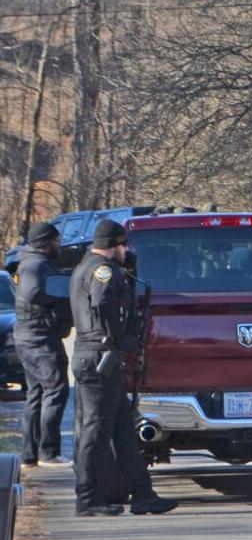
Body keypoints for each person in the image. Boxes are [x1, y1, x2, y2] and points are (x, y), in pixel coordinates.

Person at [69, 219, 177, 517]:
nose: (127, 250)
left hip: (100, 356)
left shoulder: (86, 266)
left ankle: (144, 495)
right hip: (99, 357)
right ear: (114, 245)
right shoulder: (102, 270)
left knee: (123, 431)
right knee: (95, 430)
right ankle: (87, 498)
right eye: (123, 245)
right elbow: (103, 303)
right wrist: (117, 337)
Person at [13, 223, 73, 468]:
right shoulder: (35, 265)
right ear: (46, 243)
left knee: (36, 394)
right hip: (38, 337)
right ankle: (48, 452)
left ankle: (30, 455)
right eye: (57, 242)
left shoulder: (32, 263)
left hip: (32, 336)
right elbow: (32, 293)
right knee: (56, 389)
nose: (59, 246)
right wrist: (62, 297)